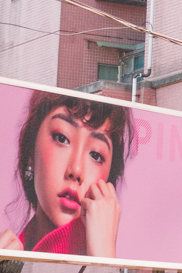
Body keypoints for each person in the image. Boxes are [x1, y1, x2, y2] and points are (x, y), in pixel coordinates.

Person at [0, 91, 134, 261]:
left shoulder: (106, 263)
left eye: (96, 155)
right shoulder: (8, 252)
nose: (76, 170)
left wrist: (104, 254)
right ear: (31, 152)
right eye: (61, 138)